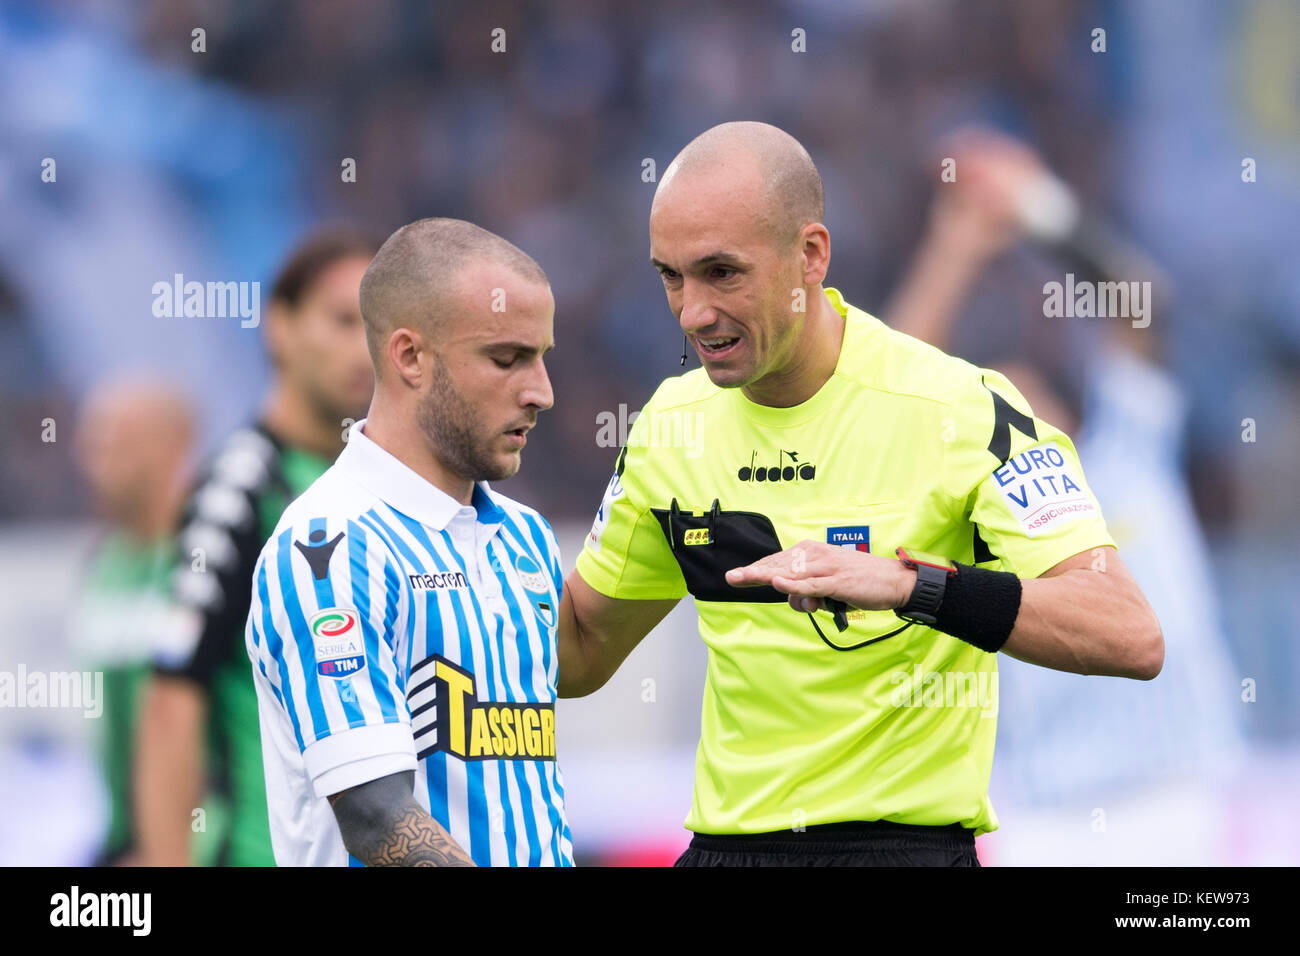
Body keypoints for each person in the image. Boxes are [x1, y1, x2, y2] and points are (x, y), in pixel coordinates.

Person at [558, 121, 1164, 867]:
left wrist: (913, 586)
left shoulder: (967, 408)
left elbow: (1129, 632)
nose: (692, 313)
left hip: (902, 851)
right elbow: (578, 656)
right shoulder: (667, 428)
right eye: (670, 276)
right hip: (727, 851)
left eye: (722, 273)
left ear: (810, 255)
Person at [244, 218, 573, 867]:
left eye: (542, 357)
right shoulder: (330, 547)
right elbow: (375, 816)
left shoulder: (526, 539)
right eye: (507, 358)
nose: (542, 392)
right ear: (410, 357)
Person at [135, 226, 381, 865]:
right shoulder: (238, 493)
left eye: (376, 327)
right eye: (340, 321)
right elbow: (172, 697)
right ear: (280, 327)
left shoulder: (379, 489)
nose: (364, 350)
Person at [71, 378, 194, 865]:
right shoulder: (102, 563)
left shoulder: (208, 561)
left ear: (173, 444)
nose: (96, 461)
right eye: (90, 444)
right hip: (120, 839)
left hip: (191, 844)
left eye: (116, 442)